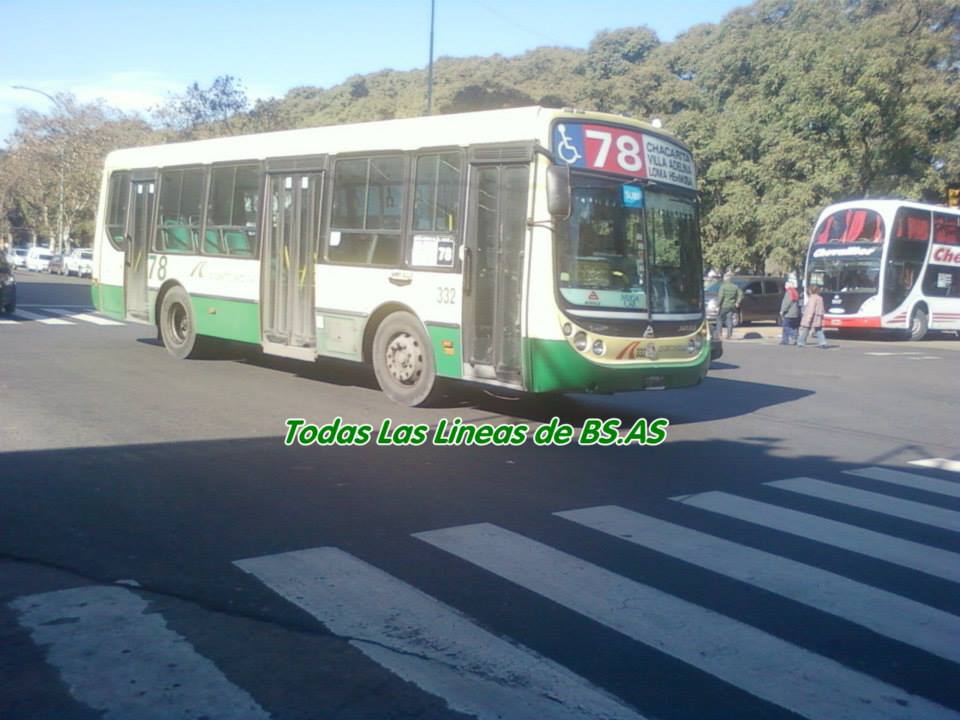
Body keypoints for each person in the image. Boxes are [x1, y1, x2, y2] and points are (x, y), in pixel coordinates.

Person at [714, 271, 743, 340]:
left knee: (719, 319)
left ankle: (719, 334)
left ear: (725, 278)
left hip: (724, 306)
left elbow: (721, 297)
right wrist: (737, 302)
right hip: (732, 306)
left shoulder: (723, 287)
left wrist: (717, 306)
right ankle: (729, 335)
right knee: (729, 320)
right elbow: (741, 294)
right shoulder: (735, 286)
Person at [779, 280, 801, 345]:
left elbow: (787, 303)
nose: (785, 286)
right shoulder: (795, 292)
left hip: (789, 313)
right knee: (793, 327)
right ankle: (791, 339)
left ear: (789, 286)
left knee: (785, 326)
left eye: (786, 285)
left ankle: (791, 338)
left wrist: (782, 310)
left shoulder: (789, 292)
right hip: (795, 313)